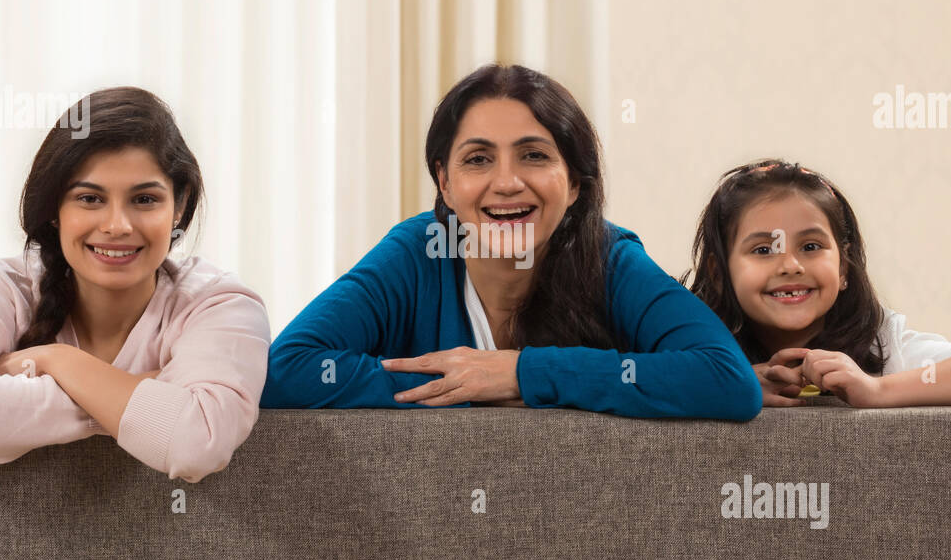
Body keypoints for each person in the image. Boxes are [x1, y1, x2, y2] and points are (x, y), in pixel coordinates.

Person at [261, 64, 761, 419]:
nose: (506, 182)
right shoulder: (418, 251)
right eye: (478, 159)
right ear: (445, 182)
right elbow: (287, 370)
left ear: (574, 183)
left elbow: (725, 378)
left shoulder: (610, 258)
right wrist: (462, 383)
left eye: (534, 156)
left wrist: (521, 373)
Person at [0, 87, 270, 481]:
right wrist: (141, 397)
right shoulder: (4, 286)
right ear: (56, 210)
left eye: (145, 200)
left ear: (178, 207)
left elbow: (197, 443)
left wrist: (59, 362)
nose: (117, 225)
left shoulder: (221, 304)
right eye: (90, 198)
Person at [684, 158, 951, 407]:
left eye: (810, 246)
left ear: (843, 269)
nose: (790, 265)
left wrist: (876, 390)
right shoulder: (693, 346)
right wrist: (730, 385)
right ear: (719, 273)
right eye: (763, 249)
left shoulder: (883, 349)